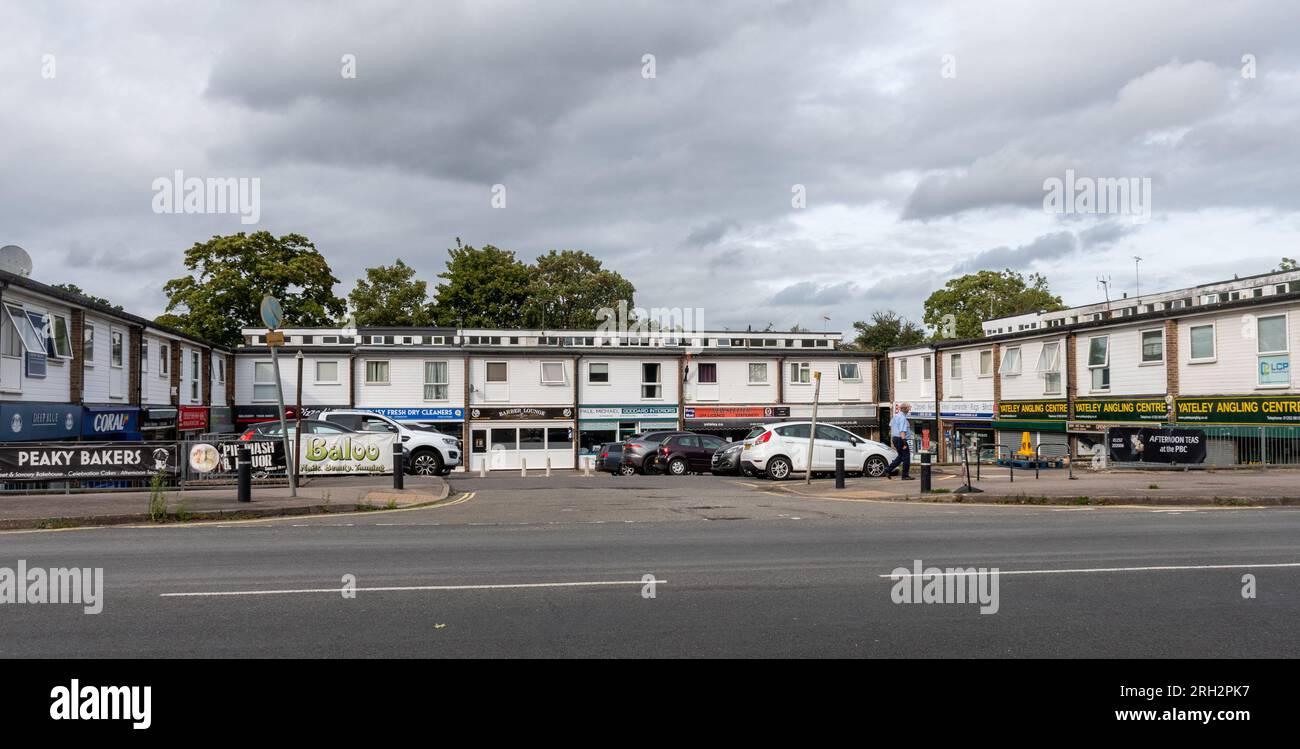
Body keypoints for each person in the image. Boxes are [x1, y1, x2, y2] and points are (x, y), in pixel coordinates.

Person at [885, 403, 914, 480]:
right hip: (901, 439)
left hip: (895, 438)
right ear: (906, 409)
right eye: (909, 407)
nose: (910, 409)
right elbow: (902, 431)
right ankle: (905, 475)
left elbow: (890, 426)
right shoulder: (902, 418)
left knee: (901, 456)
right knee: (906, 458)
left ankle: (888, 469)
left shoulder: (896, 416)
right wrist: (904, 442)